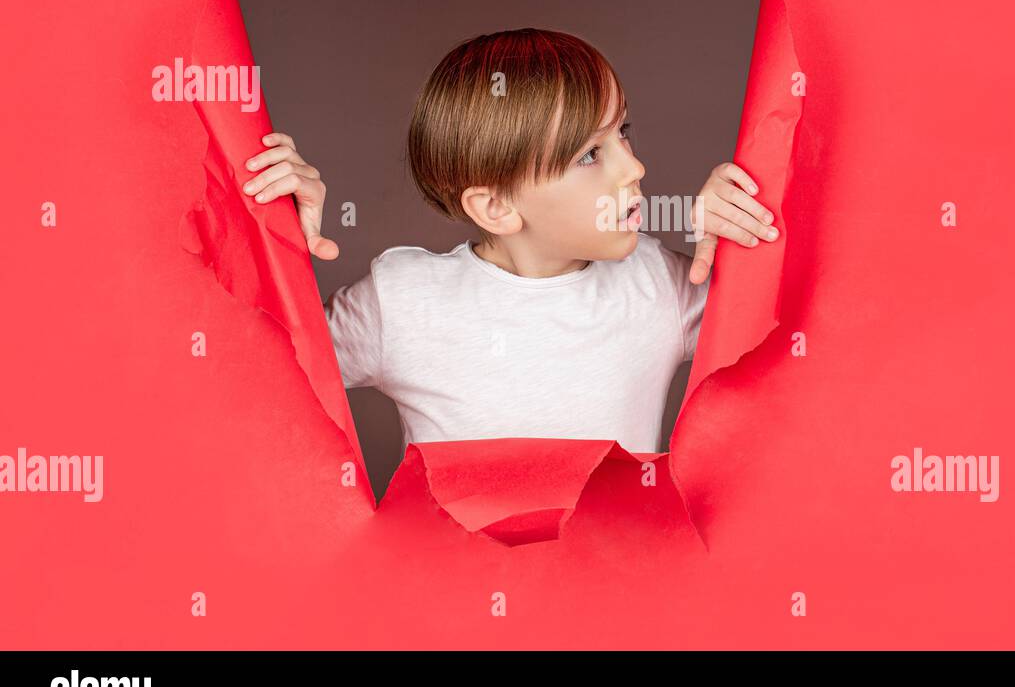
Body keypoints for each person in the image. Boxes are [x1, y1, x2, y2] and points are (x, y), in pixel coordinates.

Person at [240, 28, 779, 452]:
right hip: (452, 587)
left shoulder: (656, 282)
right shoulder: (404, 300)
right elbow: (247, 374)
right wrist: (272, 232)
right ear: (496, 206)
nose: (634, 167)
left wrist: (741, 228)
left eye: (623, 133)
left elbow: (793, 327)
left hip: (612, 583)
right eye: (590, 155)